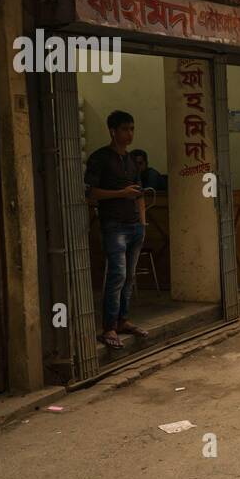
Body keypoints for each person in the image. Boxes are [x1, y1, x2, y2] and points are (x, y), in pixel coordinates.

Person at [84, 110, 149, 350]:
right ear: (113, 131)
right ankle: (109, 326)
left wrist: (142, 224)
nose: (130, 133)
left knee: (129, 277)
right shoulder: (100, 158)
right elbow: (90, 194)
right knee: (117, 275)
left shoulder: (132, 159)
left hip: (134, 225)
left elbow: (140, 193)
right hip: (113, 225)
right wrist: (121, 194)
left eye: (132, 128)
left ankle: (122, 319)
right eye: (125, 129)